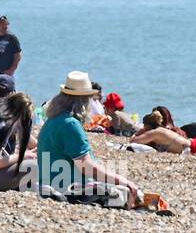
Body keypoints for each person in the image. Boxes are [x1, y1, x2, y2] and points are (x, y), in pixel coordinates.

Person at [37, 71, 140, 199]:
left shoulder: (53, 120)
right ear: (83, 101)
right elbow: (86, 166)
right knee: (126, 192)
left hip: (50, 183)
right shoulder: (70, 124)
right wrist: (121, 180)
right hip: (67, 188)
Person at [131, 112, 196, 155]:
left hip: (195, 147)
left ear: (147, 126)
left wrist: (139, 132)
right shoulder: (161, 131)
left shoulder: (155, 132)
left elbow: (133, 141)